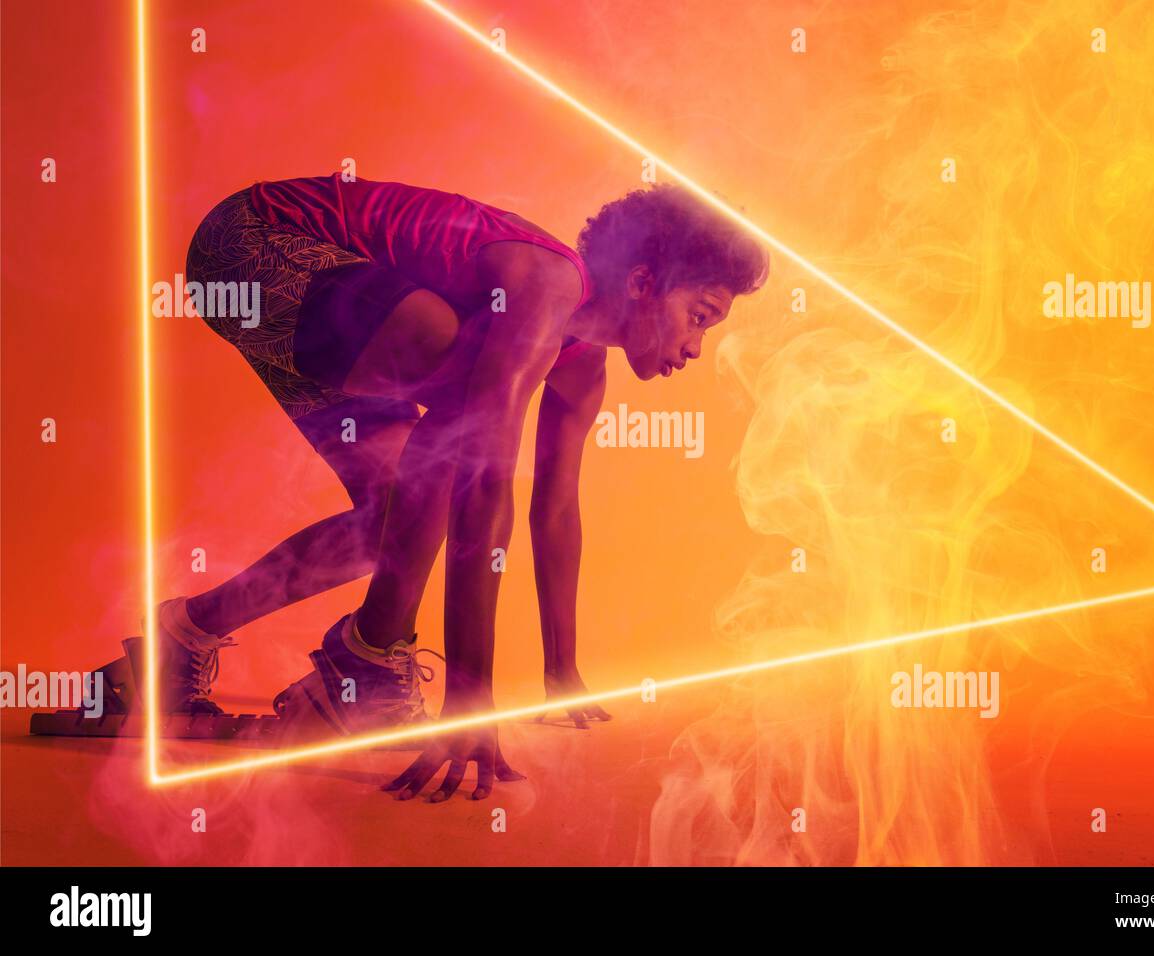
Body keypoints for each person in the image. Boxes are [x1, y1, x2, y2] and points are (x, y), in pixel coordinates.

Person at [173, 172, 768, 800]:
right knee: (466, 419)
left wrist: (560, 667)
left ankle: (181, 639)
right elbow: (482, 481)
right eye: (700, 317)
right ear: (643, 283)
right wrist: (469, 695)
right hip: (247, 246)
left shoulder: (583, 370)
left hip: (320, 314)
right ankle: (367, 657)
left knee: (391, 518)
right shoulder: (548, 283)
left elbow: (557, 512)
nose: (698, 347)